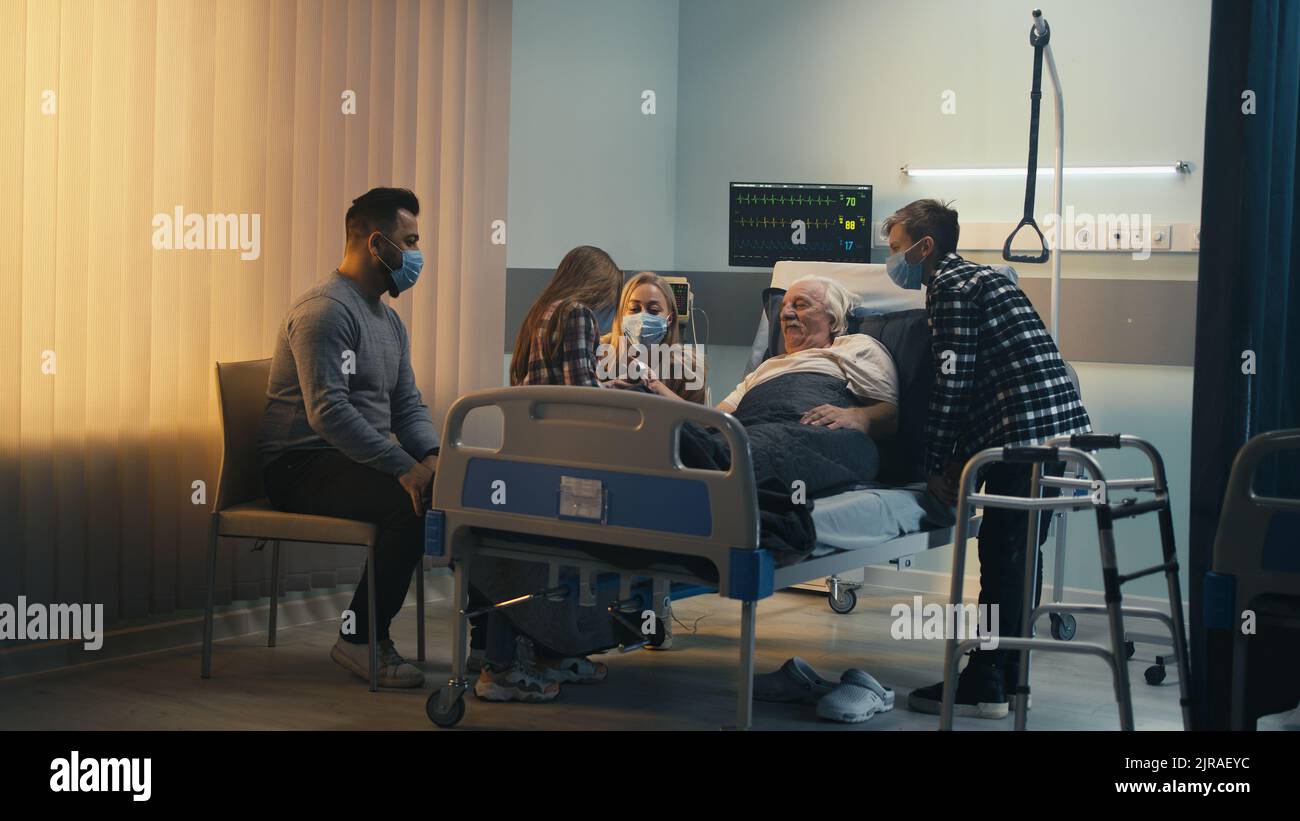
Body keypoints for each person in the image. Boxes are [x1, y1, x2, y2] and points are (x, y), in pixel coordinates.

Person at [882, 198, 1093, 719]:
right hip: (1055, 430)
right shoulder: (986, 279)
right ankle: (1006, 673)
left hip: (1024, 434)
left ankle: (986, 682)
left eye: (895, 249)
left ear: (923, 246)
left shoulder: (952, 289)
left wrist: (936, 462)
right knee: (1019, 556)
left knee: (1004, 555)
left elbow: (955, 381)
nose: (892, 261)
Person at [259, 187, 436, 689]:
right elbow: (329, 413)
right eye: (411, 240)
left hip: (348, 459)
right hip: (301, 466)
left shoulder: (389, 322)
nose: (418, 254)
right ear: (378, 244)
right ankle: (359, 639)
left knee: (443, 487)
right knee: (412, 503)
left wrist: (431, 453)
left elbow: (407, 405)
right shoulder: (325, 311)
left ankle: (497, 653)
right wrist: (405, 467)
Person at [471, 245, 626, 703]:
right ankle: (509, 667)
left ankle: (549, 653)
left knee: (537, 560)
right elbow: (581, 394)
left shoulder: (538, 314)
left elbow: (545, 383)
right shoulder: (577, 313)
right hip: (564, 458)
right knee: (559, 560)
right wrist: (619, 398)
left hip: (530, 457)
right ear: (598, 284)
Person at [718, 276, 898, 441]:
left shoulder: (855, 347)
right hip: (746, 437)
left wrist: (856, 416)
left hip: (810, 436)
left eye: (800, 305)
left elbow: (890, 416)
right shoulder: (766, 368)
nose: (785, 314)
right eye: (783, 308)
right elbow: (714, 419)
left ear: (832, 317)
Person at [599, 271, 707, 403]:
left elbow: (697, 420)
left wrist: (655, 386)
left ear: (670, 319)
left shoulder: (690, 366)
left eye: (654, 310)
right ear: (622, 315)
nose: (642, 318)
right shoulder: (601, 353)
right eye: (634, 309)